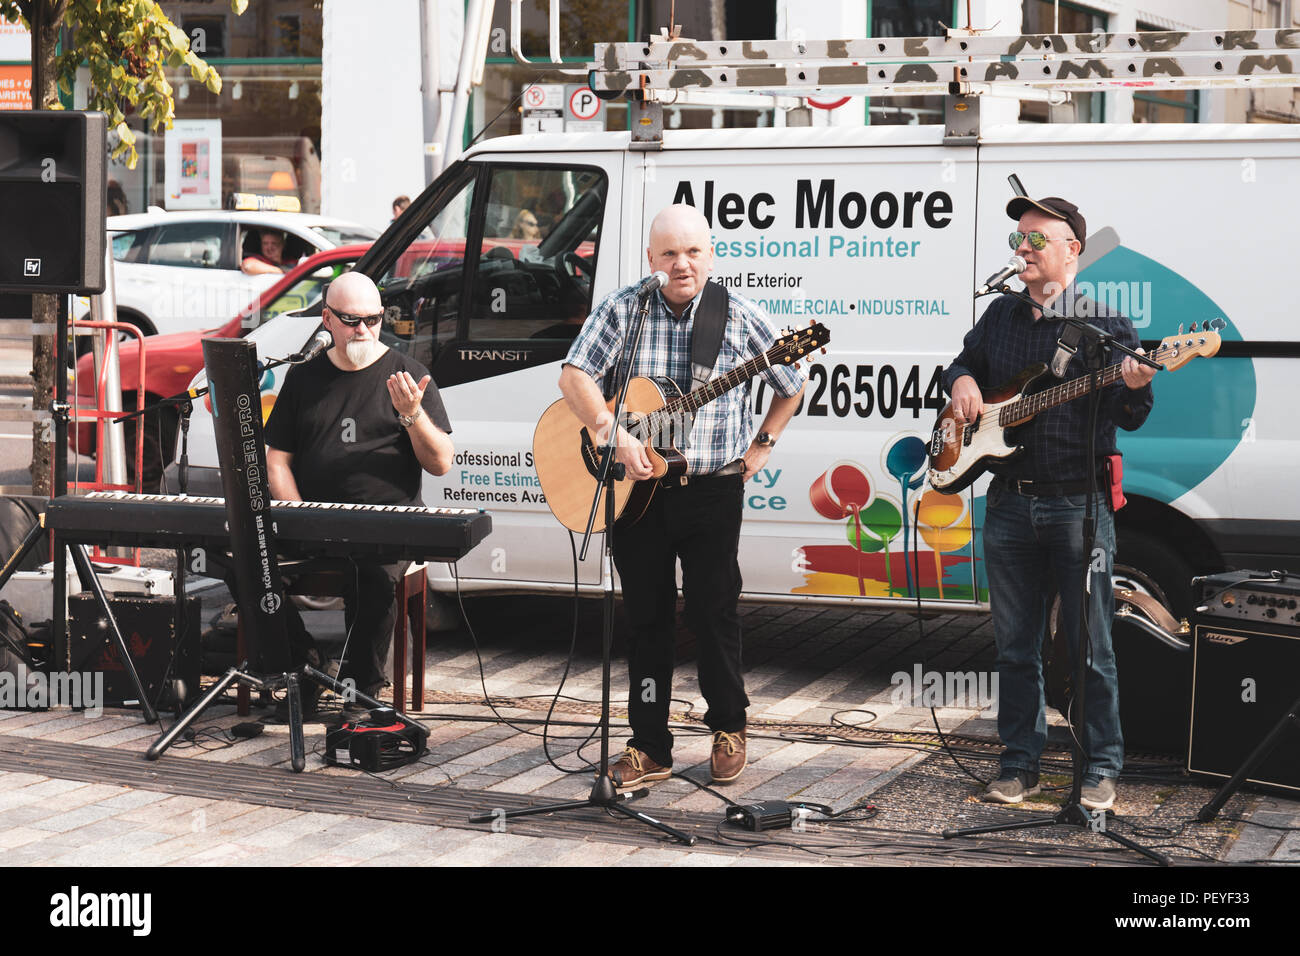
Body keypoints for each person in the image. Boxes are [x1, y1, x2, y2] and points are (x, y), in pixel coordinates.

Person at [558, 204, 806, 787]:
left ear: (709, 254)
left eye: (692, 251)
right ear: (651, 258)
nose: (681, 264)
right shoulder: (625, 309)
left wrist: (762, 445)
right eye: (669, 253)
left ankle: (729, 726)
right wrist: (613, 434)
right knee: (646, 619)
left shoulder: (740, 317)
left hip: (711, 490)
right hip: (636, 494)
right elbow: (574, 375)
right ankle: (650, 746)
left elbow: (791, 386)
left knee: (712, 611)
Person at [942, 196, 1157, 811]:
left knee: (1091, 643)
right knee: (1016, 645)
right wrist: (959, 381)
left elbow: (1129, 415)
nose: (1023, 248)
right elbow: (963, 362)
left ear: (1072, 250)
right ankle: (1020, 763)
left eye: (1037, 238)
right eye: (1019, 237)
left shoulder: (1105, 326)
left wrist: (1137, 386)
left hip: (1077, 505)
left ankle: (1100, 769)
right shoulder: (1003, 317)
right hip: (1009, 503)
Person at [264, 272, 455, 713]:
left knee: (374, 576)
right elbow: (278, 460)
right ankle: (303, 667)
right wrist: (299, 515)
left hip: (388, 525)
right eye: (351, 321)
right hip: (315, 522)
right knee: (246, 565)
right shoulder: (304, 377)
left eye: (373, 319)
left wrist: (412, 416)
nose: (364, 330)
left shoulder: (409, 374)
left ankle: (359, 689)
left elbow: (440, 462)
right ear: (327, 320)